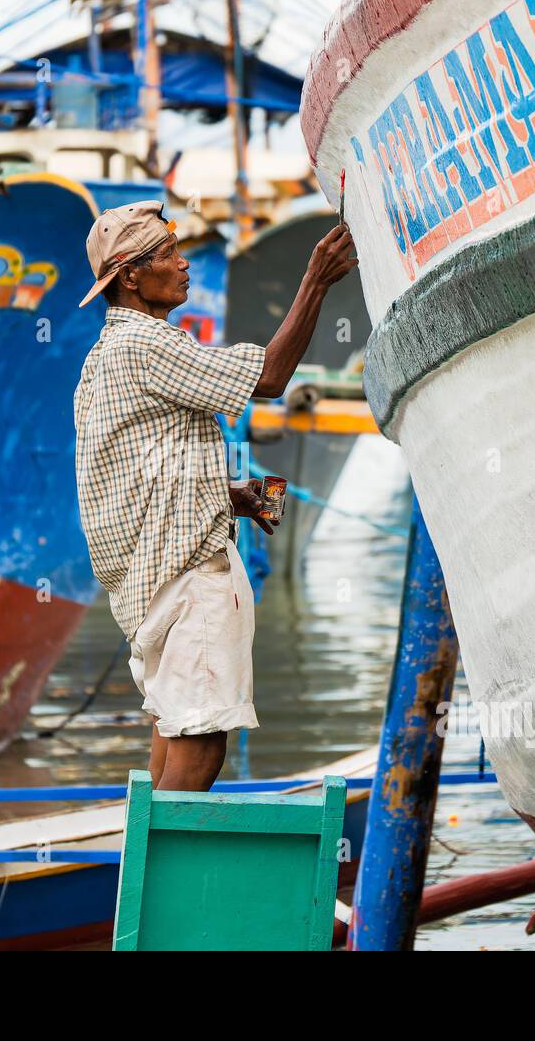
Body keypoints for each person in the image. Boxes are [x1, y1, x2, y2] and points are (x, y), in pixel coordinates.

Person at [72, 201, 357, 791]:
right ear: (129, 275)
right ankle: (166, 879)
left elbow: (133, 478)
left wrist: (227, 494)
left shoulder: (101, 359)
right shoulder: (147, 345)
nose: (184, 267)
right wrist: (316, 280)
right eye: (170, 256)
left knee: (174, 731)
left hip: (148, 588)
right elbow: (271, 379)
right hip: (189, 580)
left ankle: (150, 869)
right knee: (202, 739)